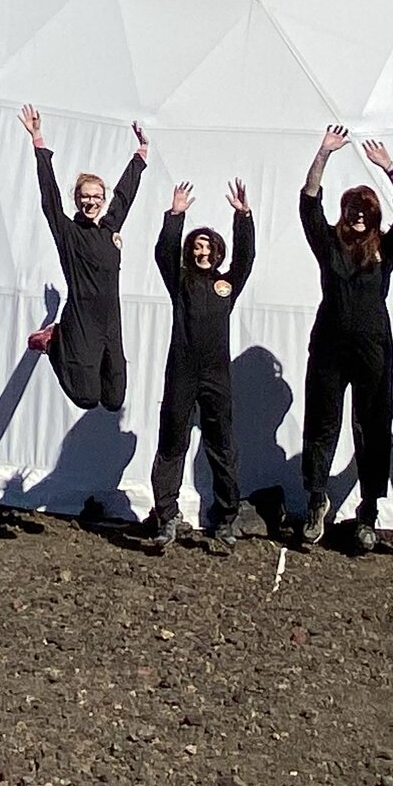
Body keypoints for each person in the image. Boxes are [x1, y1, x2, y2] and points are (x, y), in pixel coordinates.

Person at [296, 127, 393, 551]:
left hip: (374, 349)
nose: (358, 216)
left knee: (372, 426)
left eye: (365, 209)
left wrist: (391, 168)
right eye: (352, 208)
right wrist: (323, 154)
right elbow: (309, 202)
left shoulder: (385, 247)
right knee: (322, 423)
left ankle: (368, 512)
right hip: (329, 346)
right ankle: (316, 501)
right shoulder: (329, 243)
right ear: (344, 211)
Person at [143, 178, 255, 551]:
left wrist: (243, 218)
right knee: (172, 442)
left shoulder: (226, 283)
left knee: (222, 444)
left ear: (217, 252)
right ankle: (166, 515)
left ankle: (224, 520)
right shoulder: (181, 282)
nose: (201, 251)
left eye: (207, 246)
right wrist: (175, 216)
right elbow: (163, 254)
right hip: (182, 372)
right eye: (196, 246)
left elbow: (246, 259)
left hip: (216, 376)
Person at [19, 106, 149, 411]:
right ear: (77, 199)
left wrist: (141, 153)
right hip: (81, 318)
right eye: (85, 196)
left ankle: (61, 342)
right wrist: (38, 142)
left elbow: (125, 197)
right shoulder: (69, 232)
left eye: (96, 197)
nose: (91, 201)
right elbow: (49, 197)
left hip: (111, 320)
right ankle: (53, 342)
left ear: (102, 200)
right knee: (86, 398)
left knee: (115, 400)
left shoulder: (109, 229)